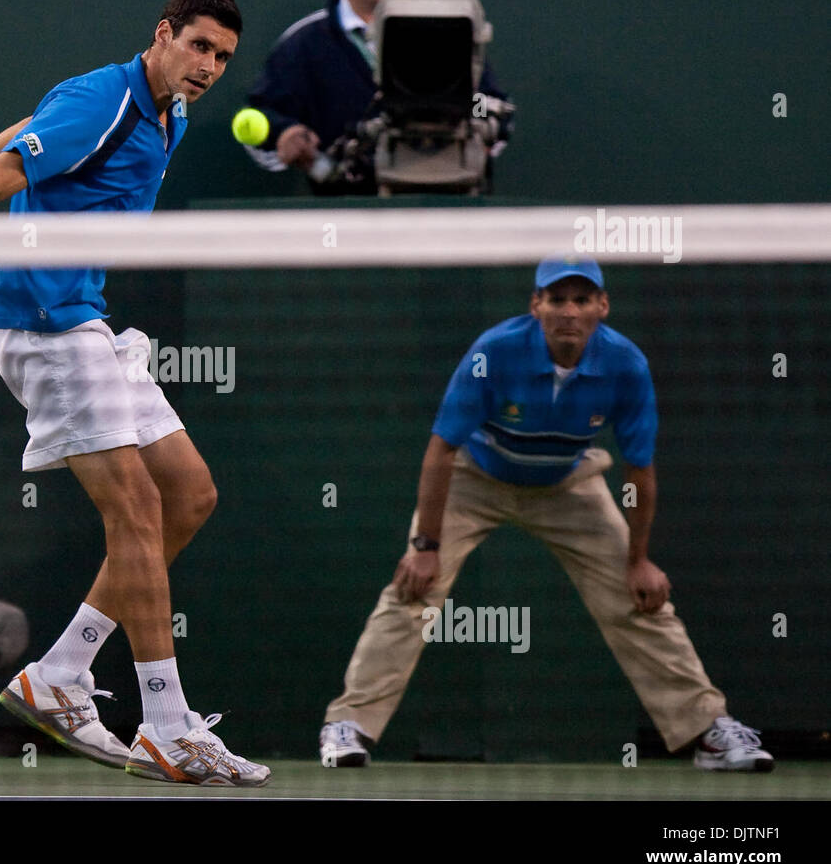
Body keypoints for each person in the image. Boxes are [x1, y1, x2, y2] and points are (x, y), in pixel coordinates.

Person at [0, 0, 270, 787]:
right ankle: (168, 725)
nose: (209, 66)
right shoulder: (104, 103)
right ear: (163, 34)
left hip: (85, 321)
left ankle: (62, 675)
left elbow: (28, 131)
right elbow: (5, 178)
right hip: (42, 327)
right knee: (136, 511)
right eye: (199, 46)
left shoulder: (161, 106)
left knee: (189, 495)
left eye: (222, 57)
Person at [318, 257, 774, 773]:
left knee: (638, 598)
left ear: (602, 306)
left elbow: (639, 471)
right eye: (557, 300)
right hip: (476, 477)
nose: (569, 312)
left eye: (582, 300)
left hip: (566, 484)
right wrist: (426, 547)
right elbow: (441, 450)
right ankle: (348, 725)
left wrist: (638, 559)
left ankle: (709, 732)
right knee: (412, 591)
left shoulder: (627, 364)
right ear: (535, 305)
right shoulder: (494, 351)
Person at [245, 0, 510, 194]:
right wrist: (285, 133)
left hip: (443, 195)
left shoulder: (446, 25)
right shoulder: (305, 42)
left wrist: (480, 135)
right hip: (346, 206)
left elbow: (491, 106)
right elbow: (264, 114)